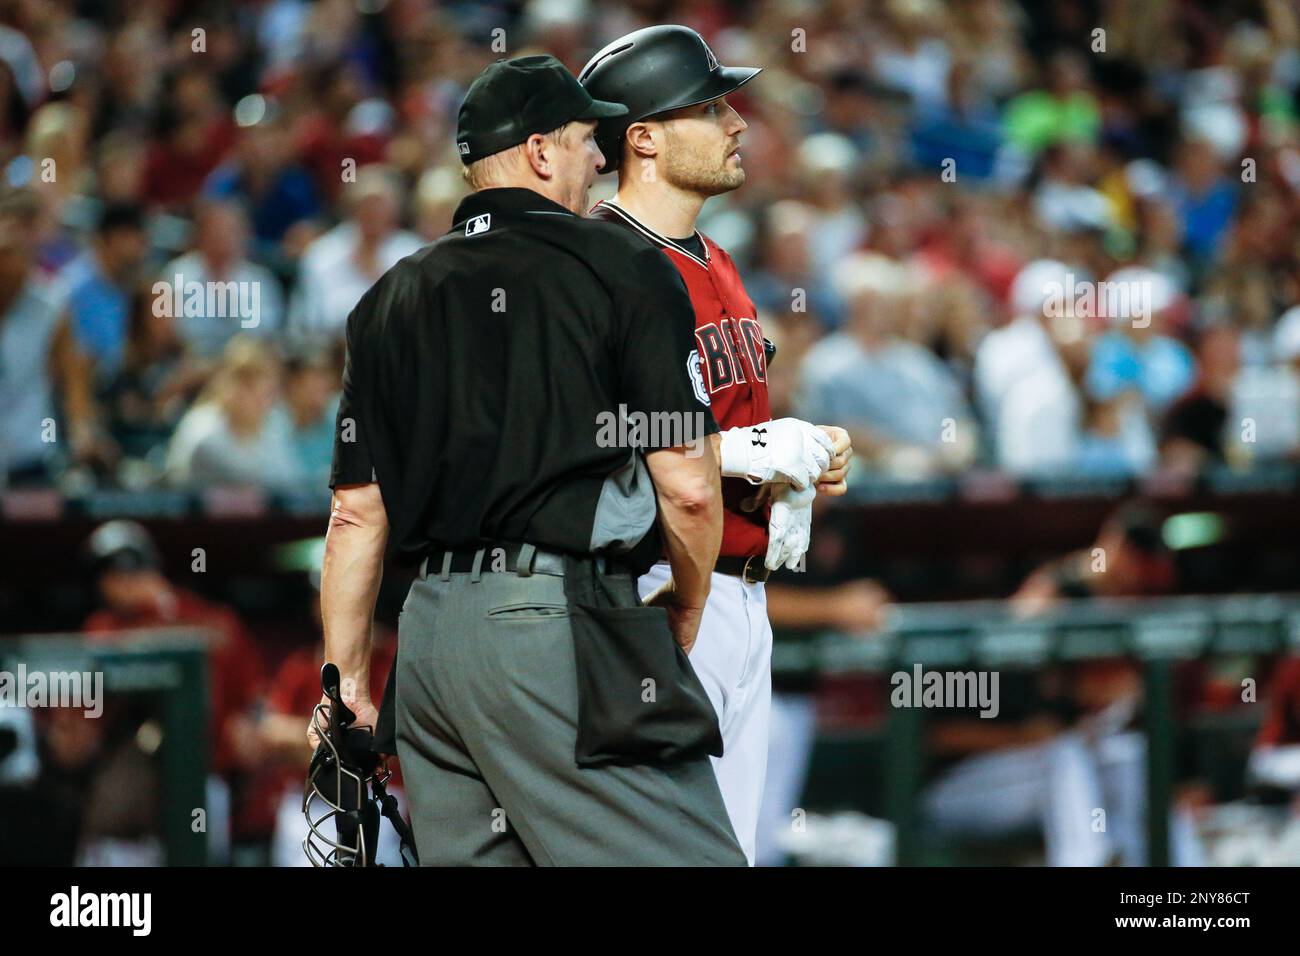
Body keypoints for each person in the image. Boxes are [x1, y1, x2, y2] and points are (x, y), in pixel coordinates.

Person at [316, 54, 747, 866]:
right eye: (589, 139)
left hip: (432, 650)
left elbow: (354, 515)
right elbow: (687, 484)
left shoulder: (387, 300)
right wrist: (688, 605)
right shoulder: (620, 265)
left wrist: (347, 694)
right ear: (542, 152)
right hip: (554, 629)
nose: (600, 156)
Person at [580, 24, 852, 864]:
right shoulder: (598, 261)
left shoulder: (718, 260)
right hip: (654, 589)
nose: (737, 123)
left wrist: (805, 458)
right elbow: (575, 438)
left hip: (740, 592)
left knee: (728, 853)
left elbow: (731, 428)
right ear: (644, 137)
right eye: (708, 106)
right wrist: (732, 454)